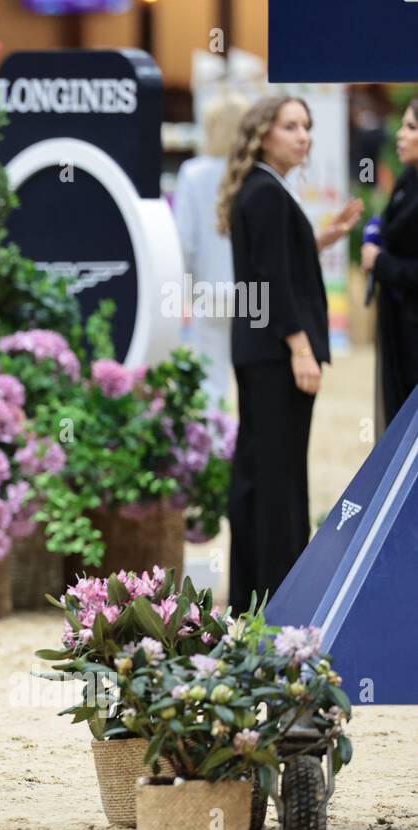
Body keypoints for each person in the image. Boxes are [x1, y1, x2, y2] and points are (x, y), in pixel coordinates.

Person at [217, 95, 362, 612]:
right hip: (278, 354)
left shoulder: (258, 189)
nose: (303, 136)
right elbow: (274, 281)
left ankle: (253, 595)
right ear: (262, 134)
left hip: (258, 350)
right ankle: (285, 597)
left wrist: (321, 238)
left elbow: (272, 263)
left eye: (307, 126)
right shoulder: (269, 194)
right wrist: (300, 347)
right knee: (279, 477)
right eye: (290, 126)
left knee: (258, 471)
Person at [173, 93, 247, 408]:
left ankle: (216, 447)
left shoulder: (193, 172)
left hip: (209, 288)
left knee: (211, 379)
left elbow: (183, 238)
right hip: (253, 289)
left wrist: (185, 284)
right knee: (253, 379)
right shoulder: (255, 172)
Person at [363, 97, 418, 428]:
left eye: (411, 127)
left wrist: (381, 263)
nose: (399, 134)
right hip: (398, 325)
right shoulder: (407, 181)